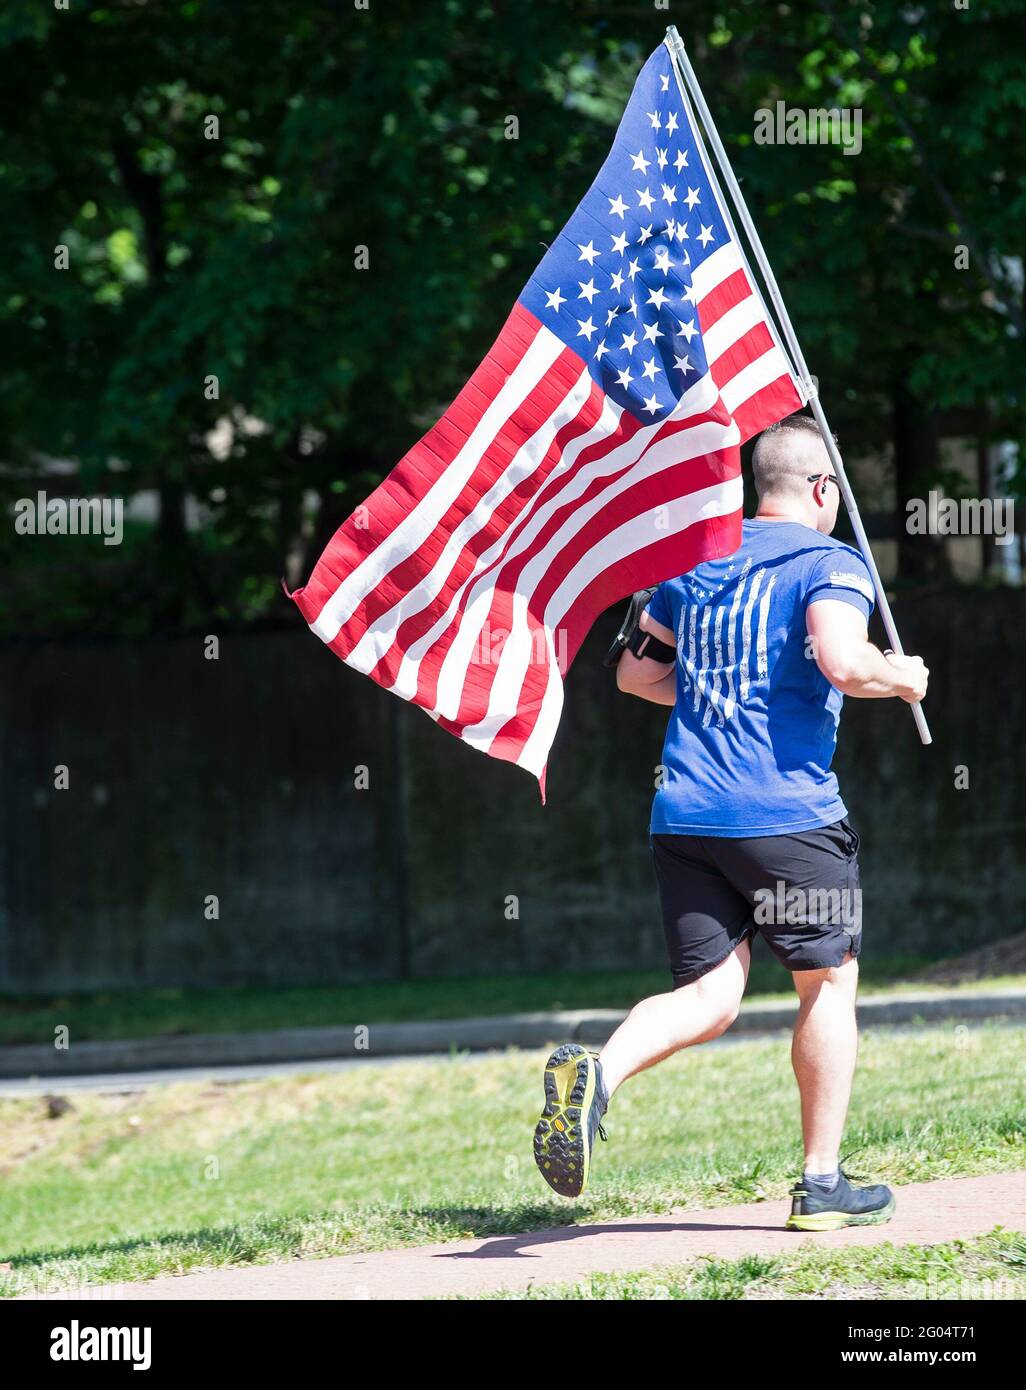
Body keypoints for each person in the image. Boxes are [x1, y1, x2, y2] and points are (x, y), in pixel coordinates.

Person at [532, 413, 929, 1230]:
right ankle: (822, 1185)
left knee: (710, 996)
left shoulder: (695, 557)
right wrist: (902, 677)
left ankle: (597, 1078)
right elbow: (843, 661)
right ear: (823, 490)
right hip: (789, 819)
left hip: (686, 816)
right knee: (825, 984)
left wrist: (725, 689)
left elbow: (637, 677)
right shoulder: (832, 562)